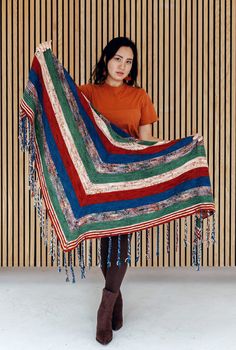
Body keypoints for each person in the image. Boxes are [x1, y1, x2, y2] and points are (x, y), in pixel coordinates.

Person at [78, 36, 160, 345]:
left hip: (128, 177)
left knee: (121, 240)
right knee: (105, 243)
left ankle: (105, 307)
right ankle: (117, 296)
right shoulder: (89, 93)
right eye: (117, 59)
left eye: (128, 62)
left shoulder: (139, 97)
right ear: (106, 59)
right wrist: (45, 59)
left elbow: (146, 141)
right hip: (99, 180)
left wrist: (183, 148)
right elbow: (60, 101)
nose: (122, 66)